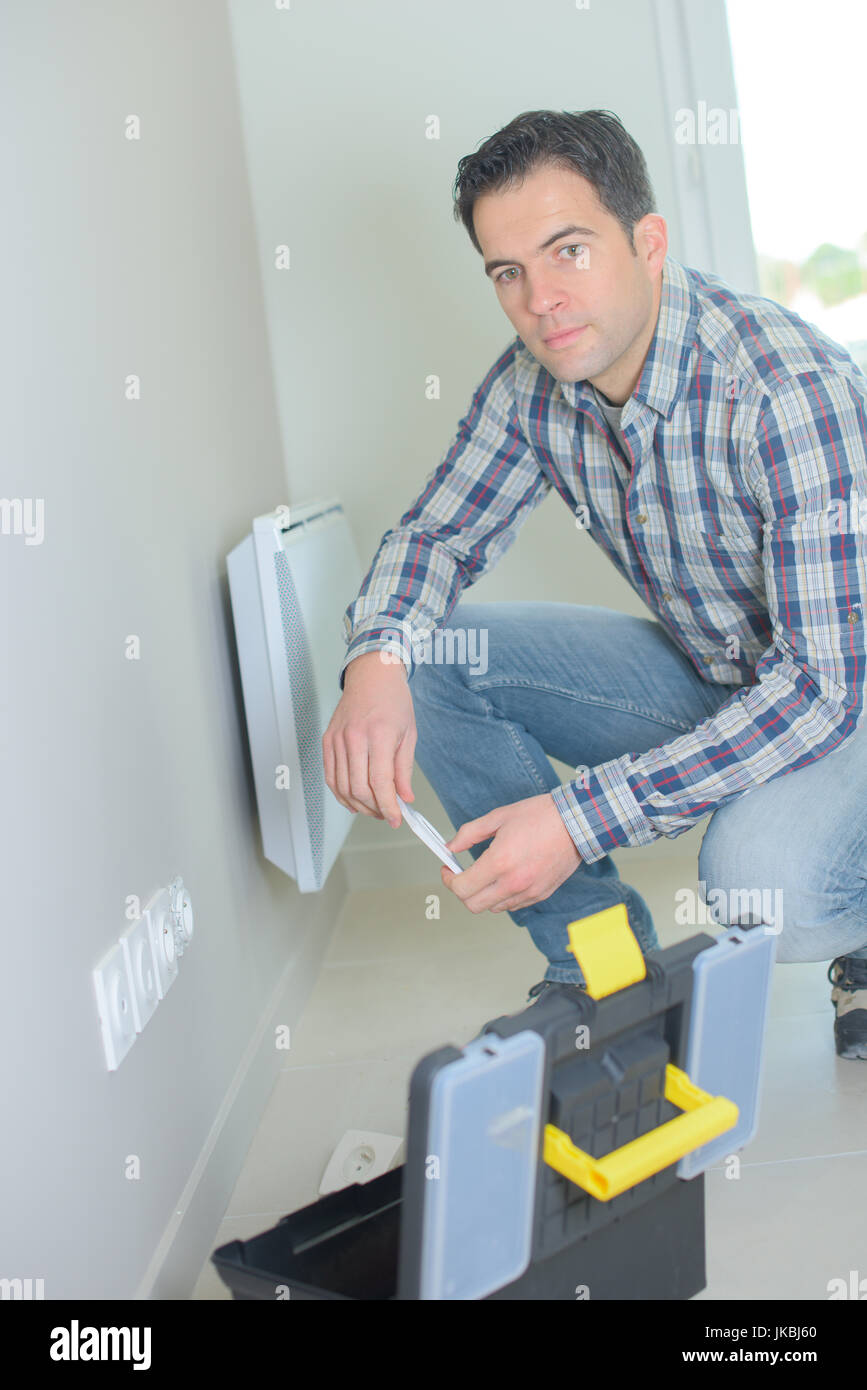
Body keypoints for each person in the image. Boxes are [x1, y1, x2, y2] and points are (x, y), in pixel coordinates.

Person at [322, 108, 867, 1059]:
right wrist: (374, 658)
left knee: (754, 878)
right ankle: (604, 976)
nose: (540, 299)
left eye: (567, 250)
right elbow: (438, 535)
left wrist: (577, 819)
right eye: (508, 272)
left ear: (646, 243)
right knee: (437, 662)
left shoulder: (782, 391)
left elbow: (822, 690)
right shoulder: (535, 382)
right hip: (732, 675)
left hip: (843, 697)